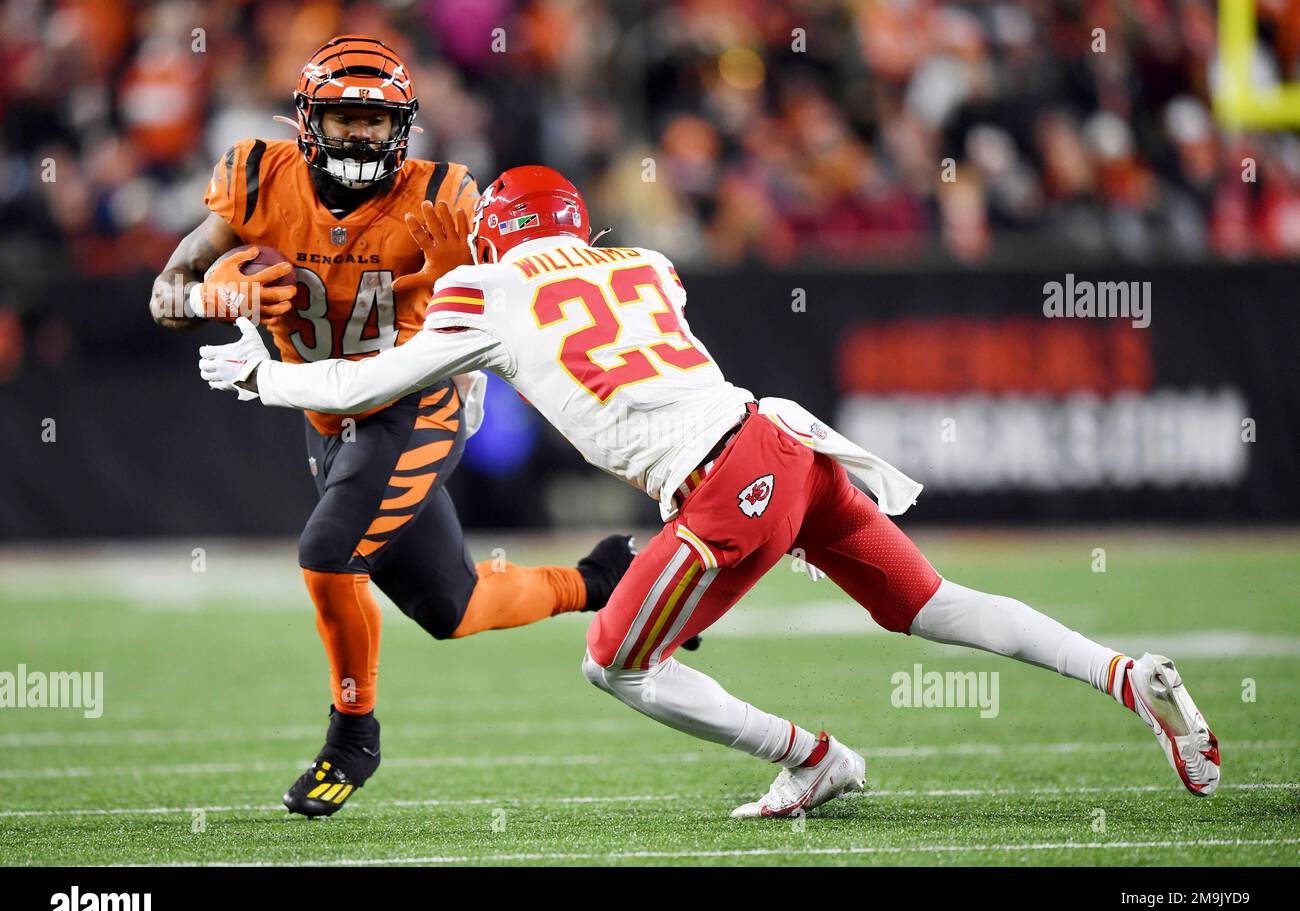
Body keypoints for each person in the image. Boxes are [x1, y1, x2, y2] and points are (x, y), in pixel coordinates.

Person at [198, 165, 1220, 818]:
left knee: (613, 665)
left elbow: (359, 385)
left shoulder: (484, 285)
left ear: (495, 234)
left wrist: (258, 373)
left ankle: (814, 757)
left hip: (724, 483)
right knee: (934, 602)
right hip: (783, 440)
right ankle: (1127, 676)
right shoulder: (647, 262)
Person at [151, 44, 634, 818]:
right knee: (453, 607)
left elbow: (521, 287)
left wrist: (487, 288)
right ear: (307, 123)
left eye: (374, 121)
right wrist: (203, 301)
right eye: (343, 118)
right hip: (329, 412)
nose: (359, 137)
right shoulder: (255, 175)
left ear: (402, 127)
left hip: (416, 403)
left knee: (326, 553)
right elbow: (168, 286)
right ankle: (607, 579)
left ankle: (352, 735)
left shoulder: (442, 196)